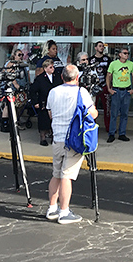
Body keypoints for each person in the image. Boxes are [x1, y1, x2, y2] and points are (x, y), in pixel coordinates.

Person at [45, 64, 98, 224]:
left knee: (56, 174)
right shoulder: (81, 91)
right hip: (74, 140)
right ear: (77, 78)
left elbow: (50, 113)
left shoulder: (53, 92)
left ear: (62, 77)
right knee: (67, 176)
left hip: (57, 138)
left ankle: (52, 208)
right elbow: (93, 114)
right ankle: (64, 211)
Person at [106, 47, 133, 143]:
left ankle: (122, 133)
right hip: (116, 90)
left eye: (128, 53)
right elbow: (108, 76)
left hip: (126, 91)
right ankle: (112, 133)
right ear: (120, 54)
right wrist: (109, 89)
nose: (127, 55)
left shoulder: (131, 64)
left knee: (124, 113)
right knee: (114, 113)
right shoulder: (113, 64)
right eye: (125, 53)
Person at [31, 58, 62, 146]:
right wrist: (35, 102)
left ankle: (53, 137)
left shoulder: (57, 77)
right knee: (43, 120)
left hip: (55, 102)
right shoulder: (40, 78)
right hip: (44, 101)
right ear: (45, 68)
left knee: (54, 120)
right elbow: (33, 90)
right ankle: (43, 138)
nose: (53, 69)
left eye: (53, 67)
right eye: (50, 67)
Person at [91, 41, 111, 133]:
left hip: (104, 86)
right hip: (94, 87)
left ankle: (108, 128)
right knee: (92, 108)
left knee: (107, 109)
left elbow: (111, 73)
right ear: (95, 48)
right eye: (100, 46)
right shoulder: (91, 60)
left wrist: (109, 86)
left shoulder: (108, 59)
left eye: (103, 46)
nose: (102, 48)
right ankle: (92, 128)